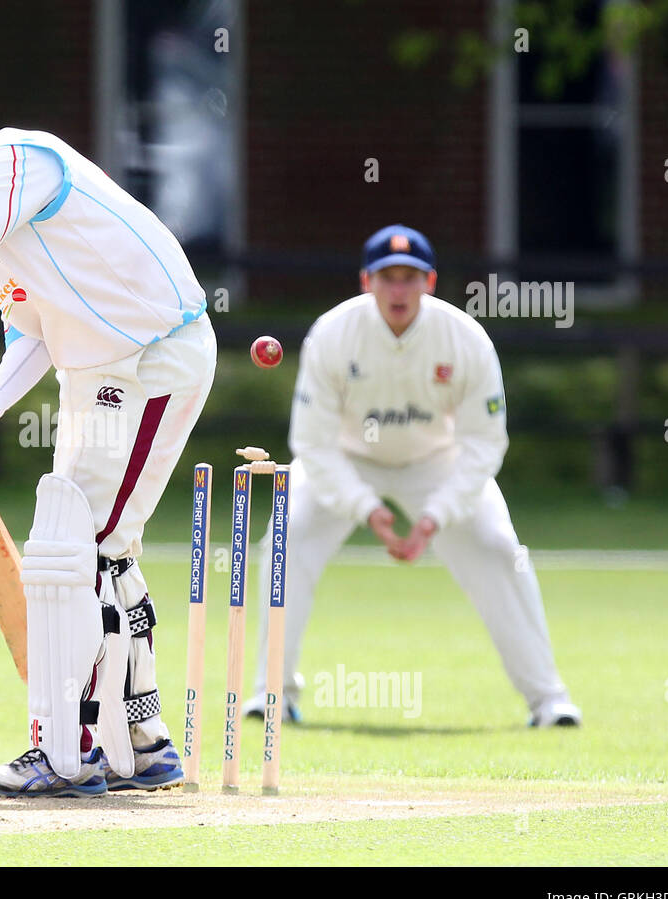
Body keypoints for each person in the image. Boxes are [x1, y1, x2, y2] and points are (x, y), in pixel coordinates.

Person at [0, 76, 216, 796]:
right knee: (92, 549)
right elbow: (34, 330)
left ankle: (72, 749)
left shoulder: (13, 160)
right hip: (101, 371)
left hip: (154, 355)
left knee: (79, 550)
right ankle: (141, 744)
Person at [244, 225, 581, 728]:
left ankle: (549, 700)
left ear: (430, 281)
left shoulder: (465, 339)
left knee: (497, 547)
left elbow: (484, 442)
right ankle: (272, 694)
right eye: (387, 278)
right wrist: (367, 509)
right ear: (366, 281)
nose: (398, 290)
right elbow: (312, 442)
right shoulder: (333, 334)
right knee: (284, 539)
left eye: (409, 278)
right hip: (345, 457)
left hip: (436, 461)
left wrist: (434, 517)